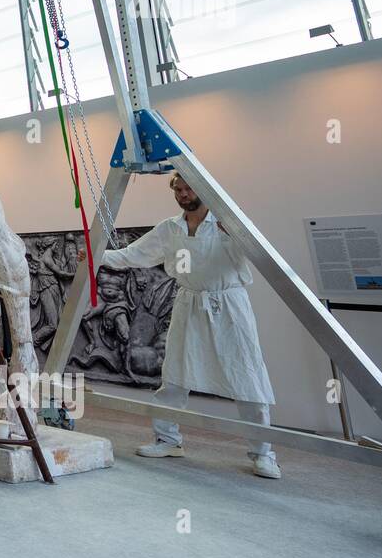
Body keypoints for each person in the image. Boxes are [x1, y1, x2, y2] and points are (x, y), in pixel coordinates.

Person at [83, 173, 280, 479]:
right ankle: (167, 439)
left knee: (247, 378)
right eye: (178, 189)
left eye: (188, 188)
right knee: (174, 375)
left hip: (228, 305)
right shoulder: (170, 229)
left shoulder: (226, 223)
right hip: (188, 303)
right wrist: (95, 256)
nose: (184, 194)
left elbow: (257, 252)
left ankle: (263, 454)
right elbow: (133, 256)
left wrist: (237, 233)